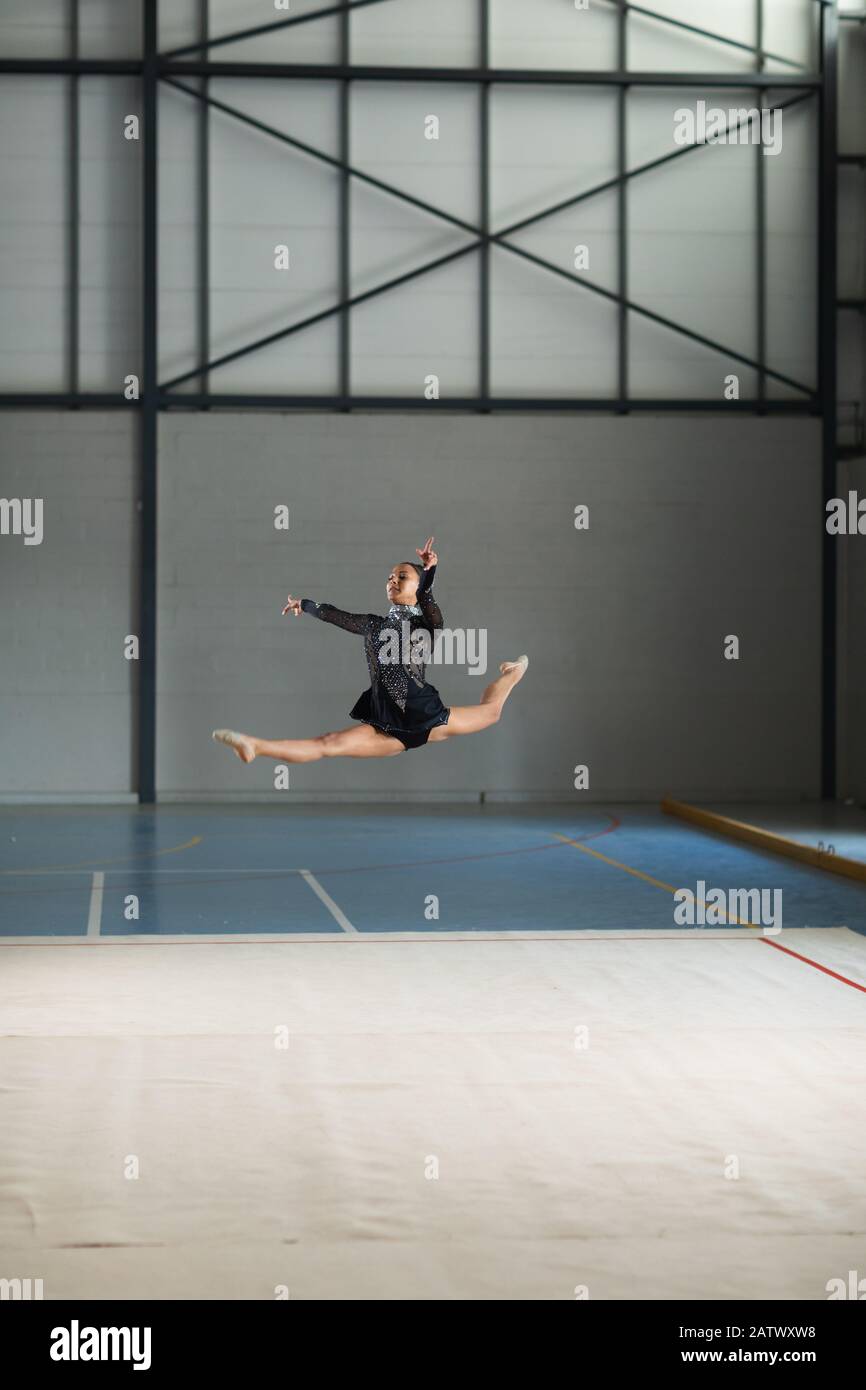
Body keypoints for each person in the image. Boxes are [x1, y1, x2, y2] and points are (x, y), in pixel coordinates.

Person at [212, 537, 528, 763]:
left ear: (417, 586)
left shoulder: (426, 625)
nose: (393, 580)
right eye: (390, 577)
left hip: (425, 717)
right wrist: (305, 605)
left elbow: (428, 601)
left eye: (402, 576)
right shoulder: (374, 625)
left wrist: (429, 573)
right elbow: (335, 614)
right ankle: (255, 745)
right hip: (387, 726)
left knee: (492, 712)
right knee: (327, 744)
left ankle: (513, 672)